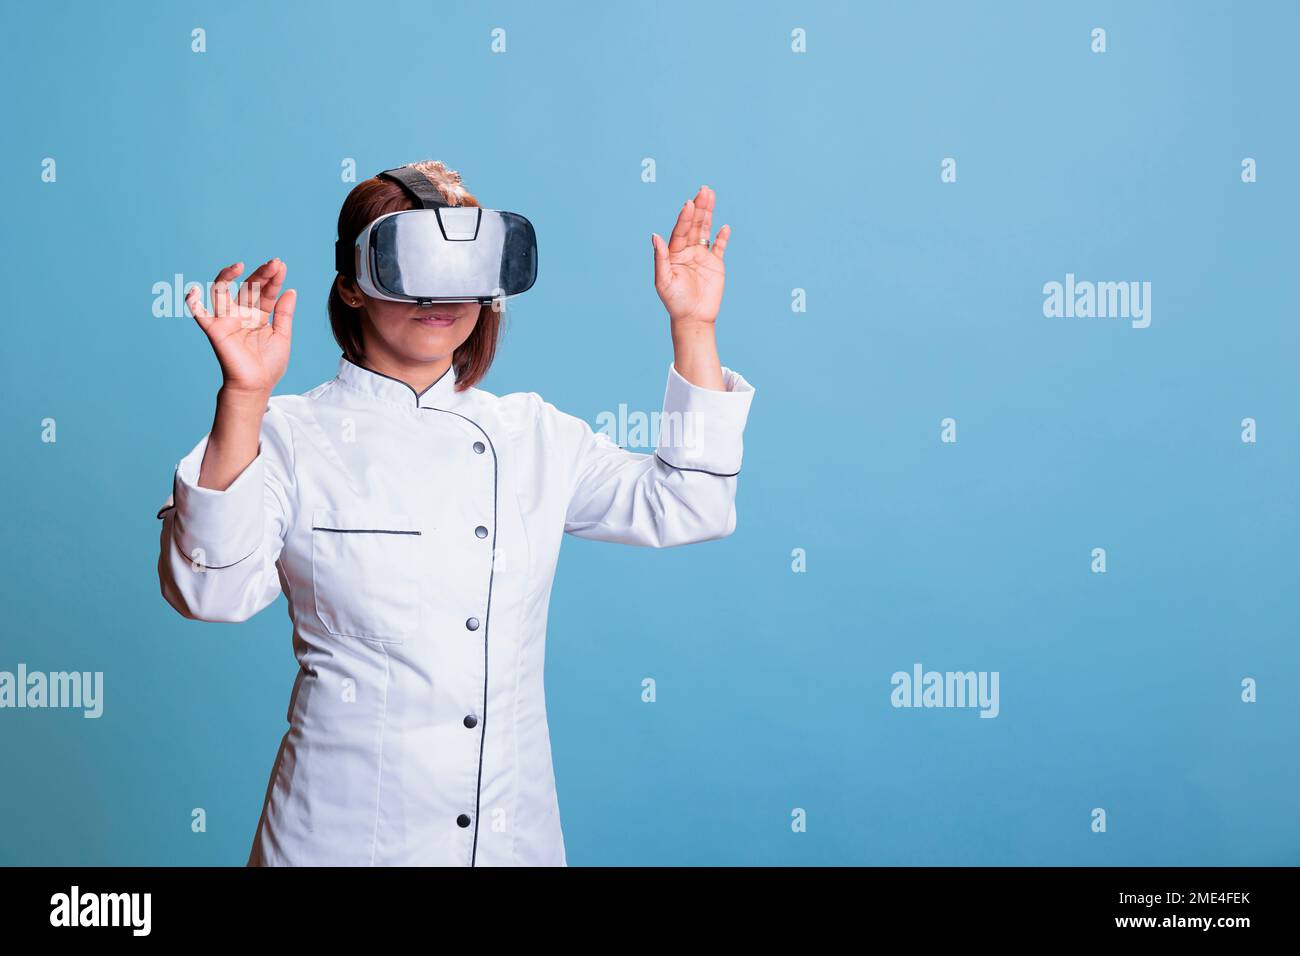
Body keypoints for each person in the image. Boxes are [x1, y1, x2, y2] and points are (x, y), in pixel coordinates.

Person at [156, 160, 756, 866]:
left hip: (512, 840)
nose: (440, 295)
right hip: (338, 843)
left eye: (463, 265)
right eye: (413, 264)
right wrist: (244, 396)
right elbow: (210, 592)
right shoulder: (286, 435)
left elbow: (691, 503)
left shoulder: (533, 435)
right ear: (351, 282)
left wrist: (693, 325)